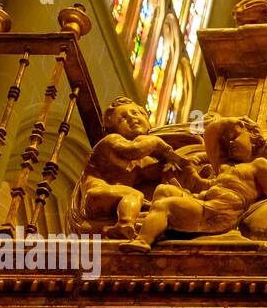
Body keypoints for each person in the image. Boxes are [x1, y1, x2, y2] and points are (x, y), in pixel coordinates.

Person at [121, 117, 267, 251]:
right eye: (226, 141)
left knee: (165, 204)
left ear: (253, 137)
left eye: (235, 136)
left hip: (220, 214)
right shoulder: (224, 169)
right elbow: (207, 169)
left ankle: (143, 241)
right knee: (164, 190)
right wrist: (188, 171)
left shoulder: (258, 166)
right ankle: (159, 228)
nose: (231, 143)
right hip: (206, 205)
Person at [71, 97, 194, 239]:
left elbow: (158, 172)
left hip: (113, 199)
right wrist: (163, 147)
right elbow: (135, 149)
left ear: (146, 118)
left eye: (135, 113)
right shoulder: (111, 142)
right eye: (122, 118)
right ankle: (125, 224)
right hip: (95, 196)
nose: (131, 118)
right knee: (135, 195)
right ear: (114, 129)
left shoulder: (144, 160)